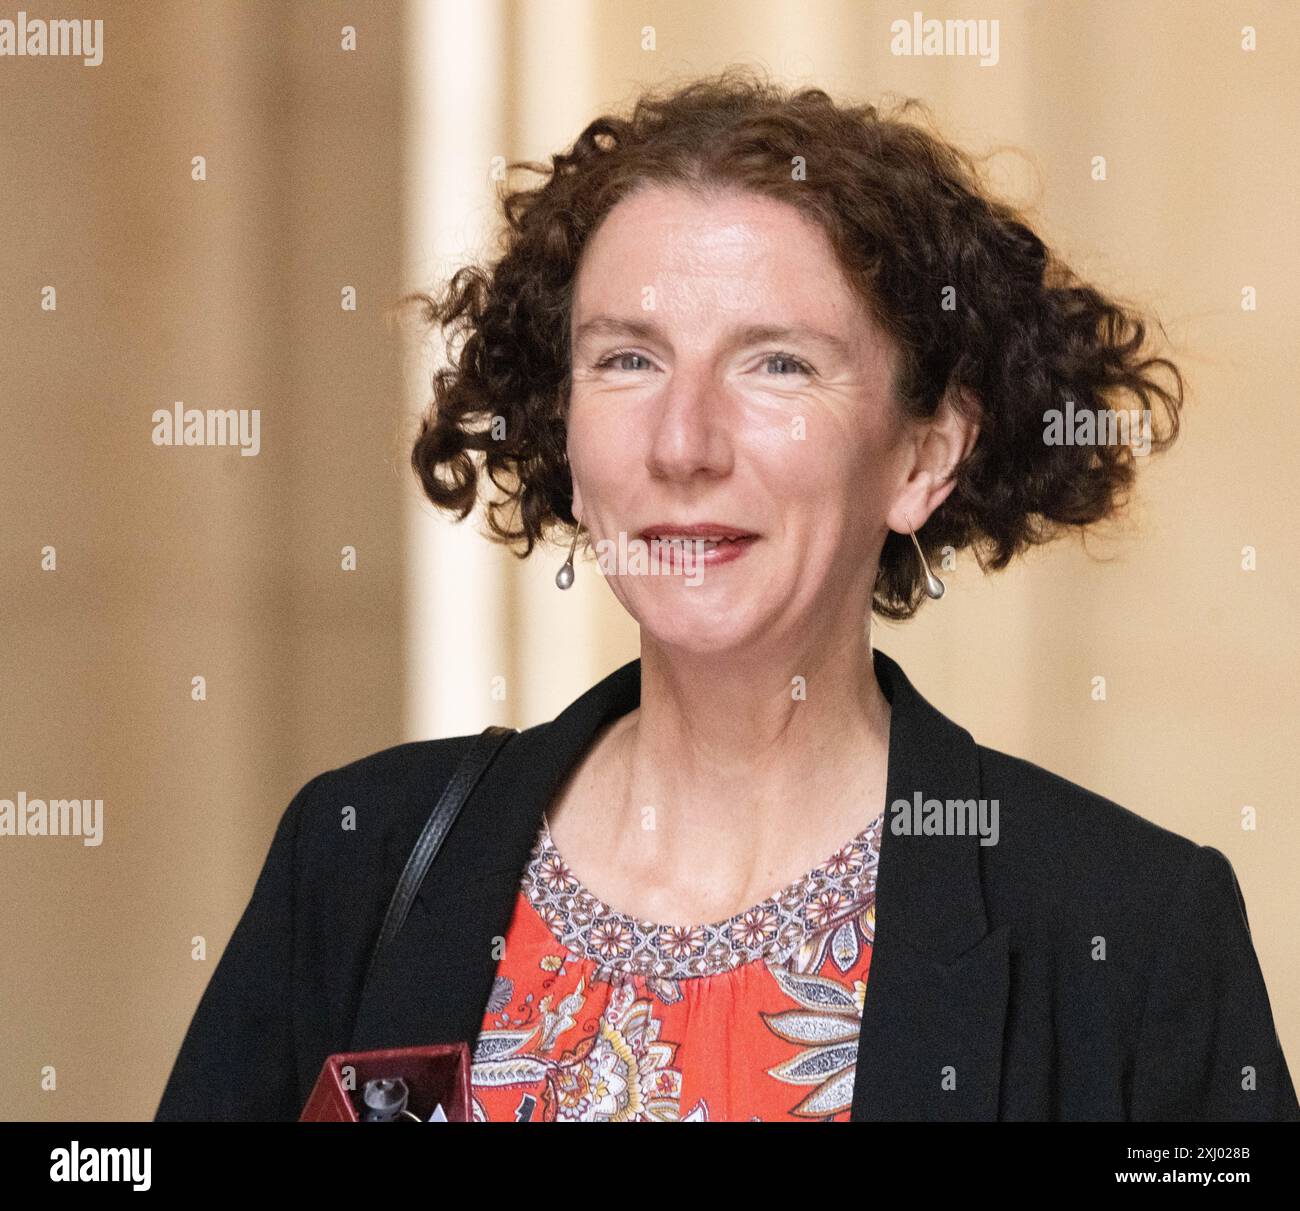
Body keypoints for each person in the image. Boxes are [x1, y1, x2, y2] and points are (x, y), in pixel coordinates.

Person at [155, 68, 1298, 1122]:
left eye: (777, 363)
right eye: (627, 359)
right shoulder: (356, 857)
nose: (683, 441)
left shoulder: (1129, 928)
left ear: (922, 457)